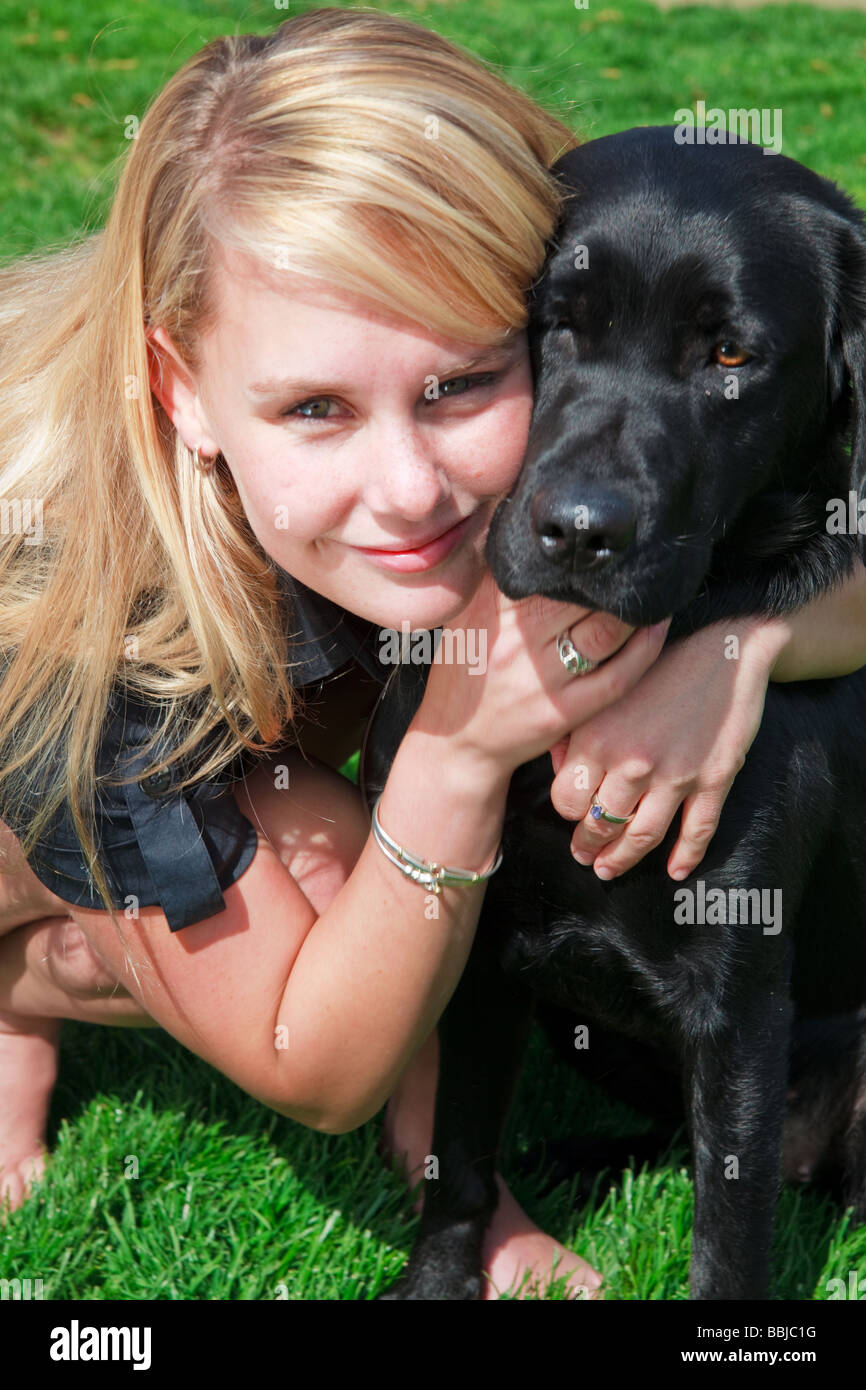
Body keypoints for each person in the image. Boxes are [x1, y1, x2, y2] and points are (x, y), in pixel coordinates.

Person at [1, 8, 865, 1302]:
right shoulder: (79, 599)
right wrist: (455, 752)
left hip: (244, 710)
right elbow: (321, 1067)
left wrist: (739, 648)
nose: (410, 489)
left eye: (463, 379)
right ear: (184, 389)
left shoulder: (582, 347)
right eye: (315, 407)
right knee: (324, 853)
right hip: (67, 733)